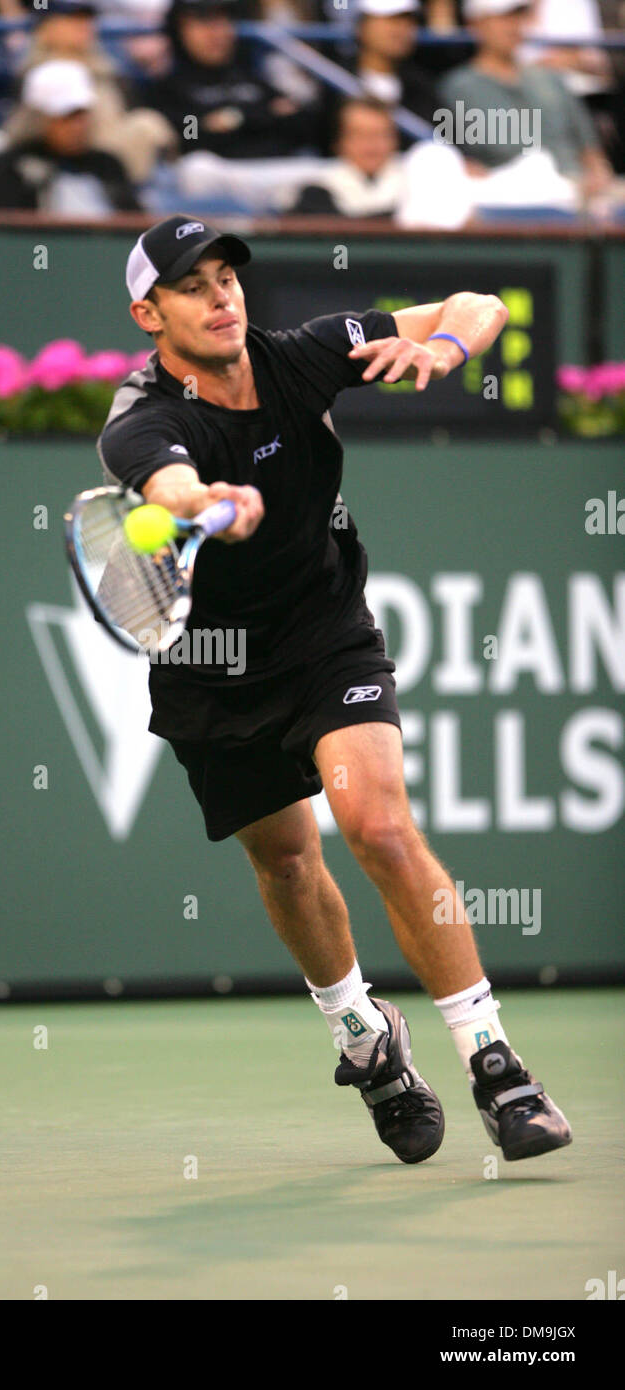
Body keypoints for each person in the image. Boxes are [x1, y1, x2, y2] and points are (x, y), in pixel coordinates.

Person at [97, 214, 573, 1165]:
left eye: (228, 276)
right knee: (284, 861)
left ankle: (495, 1062)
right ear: (149, 313)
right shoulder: (143, 421)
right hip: (211, 665)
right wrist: (209, 505)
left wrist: (439, 344)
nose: (222, 294)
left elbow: (482, 305)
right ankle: (365, 1037)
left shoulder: (304, 354)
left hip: (324, 634)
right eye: (194, 286)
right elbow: (169, 488)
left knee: (381, 828)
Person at [437, 0, 615, 201]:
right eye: (503, 18)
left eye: (518, 16)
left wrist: (597, 176)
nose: (513, 25)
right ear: (475, 23)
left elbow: (591, 151)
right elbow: (455, 159)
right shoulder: (457, 87)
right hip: (510, 196)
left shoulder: (550, 77)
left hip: (579, 193)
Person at [138, 0, 322, 160]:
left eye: (222, 21)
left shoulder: (251, 79)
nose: (215, 34)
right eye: (203, 22)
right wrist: (263, 116)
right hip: (213, 179)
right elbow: (190, 137)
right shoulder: (167, 89)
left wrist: (232, 119)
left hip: (274, 169)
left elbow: (301, 124)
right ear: (179, 31)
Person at [20, 0, 176, 181]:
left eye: (86, 19)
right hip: (69, 168)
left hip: (114, 164)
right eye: (72, 19)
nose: (83, 26)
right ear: (46, 27)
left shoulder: (107, 68)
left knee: (149, 125)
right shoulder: (39, 74)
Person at [0, 59, 141, 210]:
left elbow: (134, 220)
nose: (78, 126)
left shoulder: (107, 165)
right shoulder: (14, 166)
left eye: (82, 115)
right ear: (39, 117)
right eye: (66, 117)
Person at [342, 0, 439, 140]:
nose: (402, 29)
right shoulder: (331, 78)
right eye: (391, 19)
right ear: (362, 26)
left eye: (409, 21)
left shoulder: (423, 87)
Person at [289, 96, 403, 215]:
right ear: (339, 142)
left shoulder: (415, 187)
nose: (373, 145)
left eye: (382, 135)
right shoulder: (317, 193)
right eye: (361, 135)